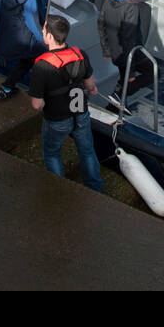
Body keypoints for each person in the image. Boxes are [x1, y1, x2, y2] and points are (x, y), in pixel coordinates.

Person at [29, 15, 102, 193]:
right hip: (80, 113)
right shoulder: (80, 54)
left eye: (44, 30)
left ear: (50, 37)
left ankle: (60, 190)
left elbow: (36, 104)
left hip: (57, 118)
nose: (42, 32)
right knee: (87, 152)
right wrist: (92, 91)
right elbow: (90, 85)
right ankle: (94, 189)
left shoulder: (42, 66)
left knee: (52, 153)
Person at [0, 0, 46, 101]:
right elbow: (33, 22)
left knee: (25, 61)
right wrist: (43, 40)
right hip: (24, 36)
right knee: (33, 58)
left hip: (9, 32)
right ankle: (34, 91)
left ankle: (7, 87)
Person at [99, 0, 150, 92]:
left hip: (113, 48)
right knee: (153, 73)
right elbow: (129, 38)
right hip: (126, 53)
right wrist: (131, 71)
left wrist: (106, 50)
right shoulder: (131, 7)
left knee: (122, 75)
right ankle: (119, 96)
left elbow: (101, 24)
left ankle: (119, 89)